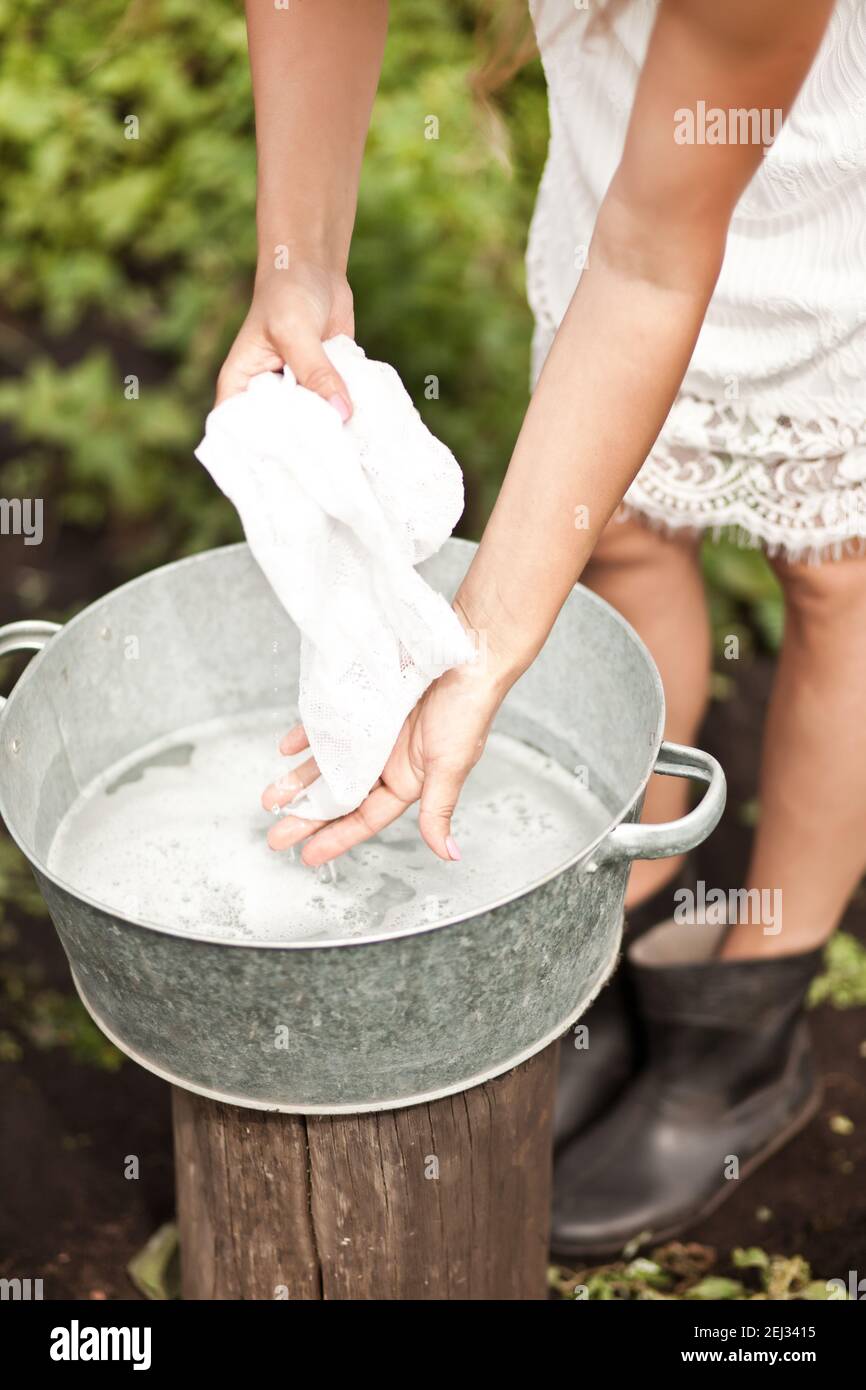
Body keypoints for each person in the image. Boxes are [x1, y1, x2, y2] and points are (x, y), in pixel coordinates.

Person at [219, 0, 866, 1255]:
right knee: (617, 521)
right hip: (629, 126)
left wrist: (476, 648)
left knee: (835, 568)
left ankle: (747, 1019)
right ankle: (618, 922)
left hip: (826, 173)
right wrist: (296, 261)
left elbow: (652, 260)